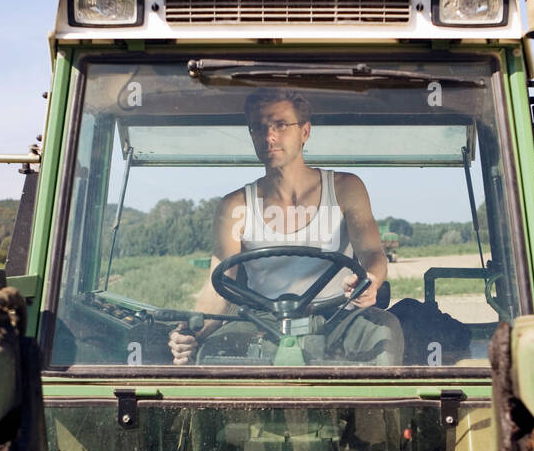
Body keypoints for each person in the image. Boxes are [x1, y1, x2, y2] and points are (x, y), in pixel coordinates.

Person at [168, 87, 403, 365]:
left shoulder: (345, 188)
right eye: (259, 127)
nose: (269, 137)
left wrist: (371, 280)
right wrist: (195, 333)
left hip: (338, 315)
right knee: (211, 353)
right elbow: (219, 284)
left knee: (384, 333)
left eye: (280, 125)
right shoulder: (235, 206)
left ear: (305, 132)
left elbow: (372, 253)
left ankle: (376, 409)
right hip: (263, 323)